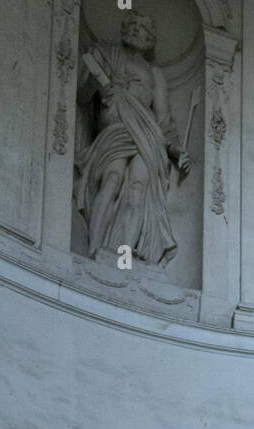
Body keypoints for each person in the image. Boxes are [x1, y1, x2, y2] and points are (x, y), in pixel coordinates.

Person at [75, 13, 190, 265]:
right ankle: (95, 250)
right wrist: (98, 86)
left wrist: (175, 148)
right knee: (111, 180)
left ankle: (125, 254)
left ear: (150, 41)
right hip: (114, 132)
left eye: (143, 28)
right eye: (132, 25)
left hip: (147, 135)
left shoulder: (154, 73)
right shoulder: (103, 53)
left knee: (138, 188)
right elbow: (82, 95)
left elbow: (163, 120)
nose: (136, 31)